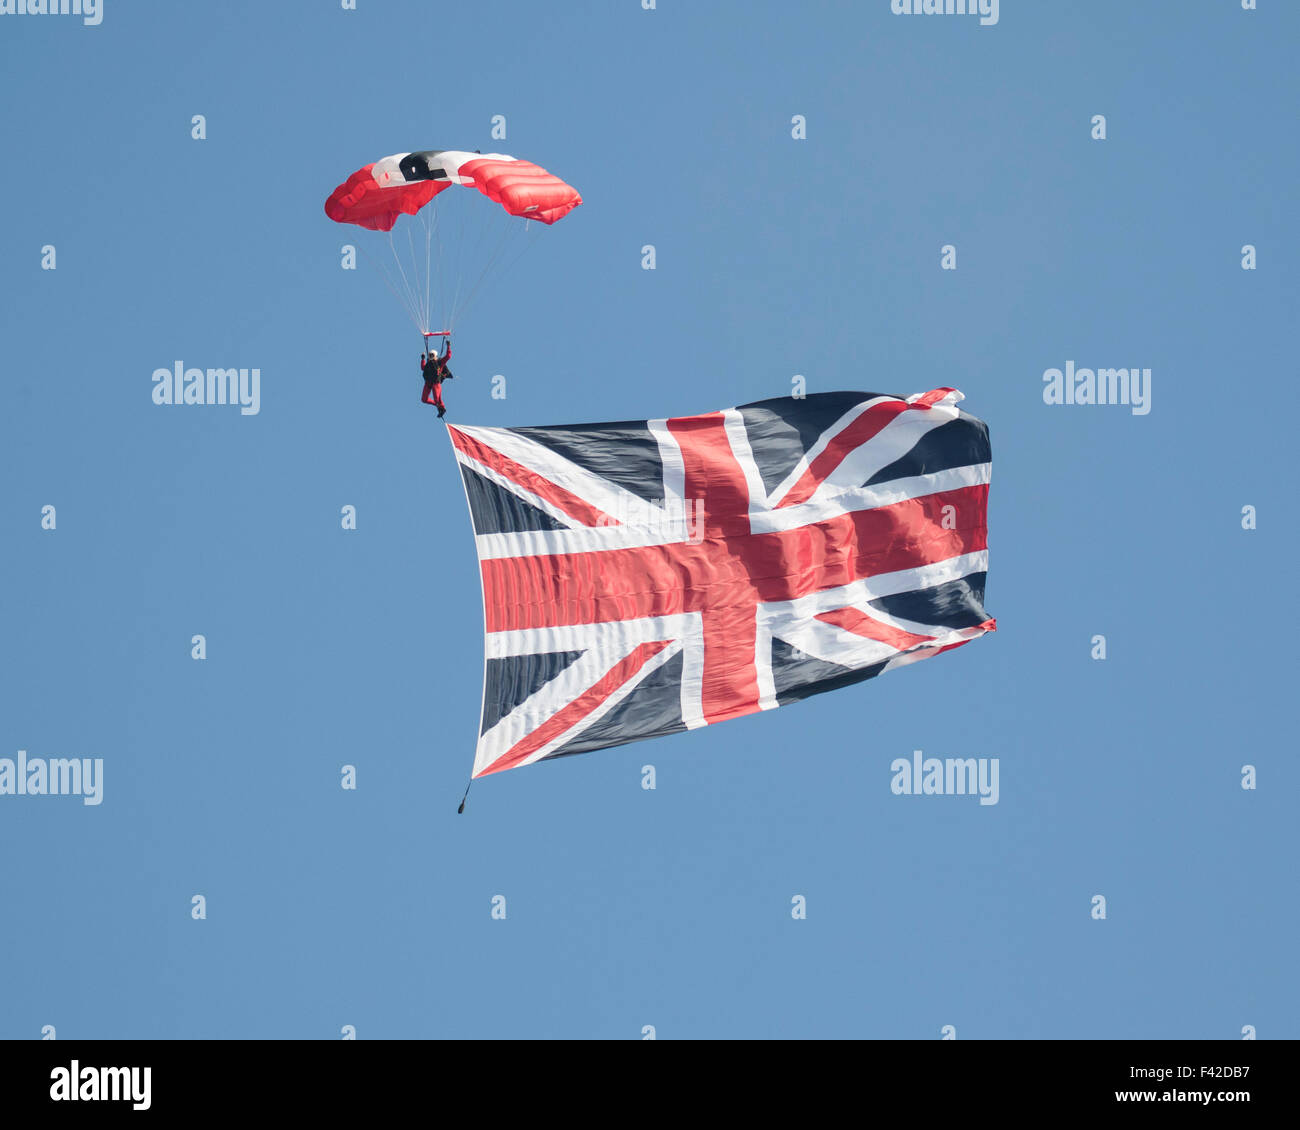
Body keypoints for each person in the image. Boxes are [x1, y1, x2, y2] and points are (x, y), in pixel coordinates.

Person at [420, 337, 453, 418]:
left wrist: (448, 346)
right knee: (424, 399)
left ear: (435, 356)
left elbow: (448, 356)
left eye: (432, 355)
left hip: (436, 383)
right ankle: (438, 405)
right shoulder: (428, 364)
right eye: (430, 355)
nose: (431, 356)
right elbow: (423, 368)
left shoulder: (439, 362)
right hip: (428, 383)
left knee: (437, 398)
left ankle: (442, 408)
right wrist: (423, 359)